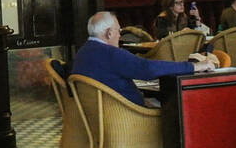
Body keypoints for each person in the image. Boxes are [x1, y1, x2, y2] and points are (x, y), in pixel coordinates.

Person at [72, 11, 217, 107]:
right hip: (128, 120)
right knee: (179, 110)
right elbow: (148, 69)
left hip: (102, 119)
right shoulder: (111, 54)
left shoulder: (82, 52)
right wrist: (194, 67)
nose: (119, 35)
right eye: (118, 31)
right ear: (109, 33)